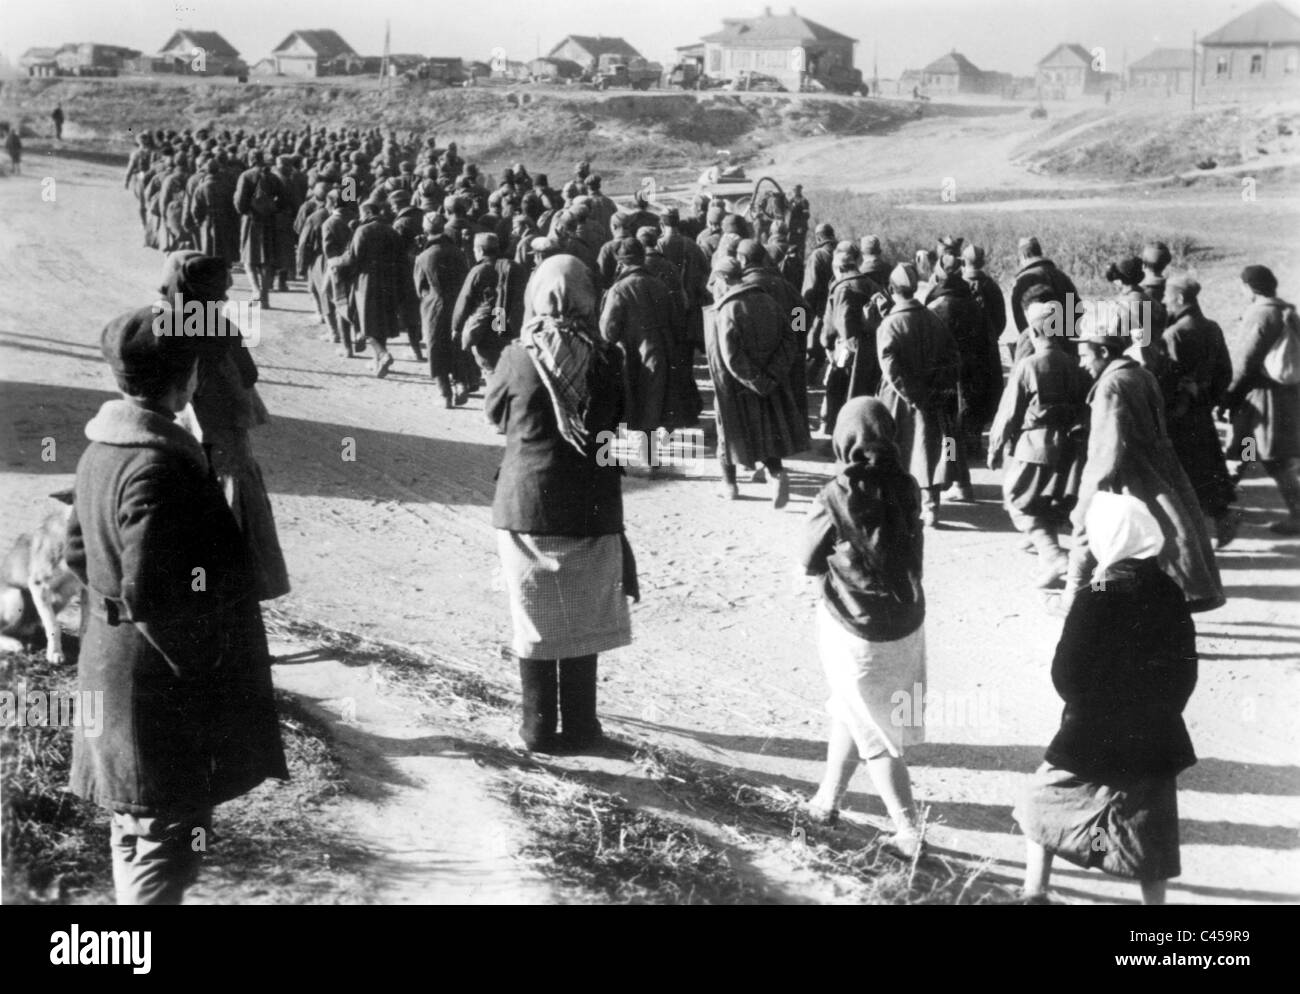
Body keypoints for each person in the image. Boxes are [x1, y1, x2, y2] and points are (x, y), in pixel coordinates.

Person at [66, 307, 287, 904]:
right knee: (166, 845)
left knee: (137, 830)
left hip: (116, 674)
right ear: (187, 378)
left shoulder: (103, 449)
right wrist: (206, 666)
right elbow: (159, 595)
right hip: (160, 692)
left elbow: (77, 554)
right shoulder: (160, 466)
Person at [1015, 493, 1198, 906]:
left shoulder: (1097, 592)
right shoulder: (1169, 590)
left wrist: (1084, 707)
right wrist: (1162, 711)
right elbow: (1185, 668)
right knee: (1149, 834)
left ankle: (1034, 892)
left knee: (1041, 805)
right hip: (1156, 733)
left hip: (1090, 732)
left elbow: (1067, 673)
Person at [486, 256, 634, 754]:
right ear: (589, 297)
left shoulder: (516, 357)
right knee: (584, 621)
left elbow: (495, 415)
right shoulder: (608, 358)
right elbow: (616, 432)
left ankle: (536, 728)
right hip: (591, 508)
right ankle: (582, 727)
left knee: (535, 618)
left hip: (527, 506)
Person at [800, 397, 927, 859]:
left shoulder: (834, 493)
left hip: (853, 626)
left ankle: (909, 831)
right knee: (853, 710)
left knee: (876, 734)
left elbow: (808, 558)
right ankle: (826, 800)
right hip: (908, 622)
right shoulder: (908, 485)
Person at [1064, 310, 1225, 613]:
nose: (1082, 364)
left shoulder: (1111, 386)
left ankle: (1074, 600)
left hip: (1132, 476)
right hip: (1163, 472)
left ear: (1102, 350)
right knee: (1169, 542)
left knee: (1093, 534)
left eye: (1085, 355)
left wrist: (1085, 501)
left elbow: (1104, 454)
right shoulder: (1141, 374)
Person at [162, 252, 291, 602]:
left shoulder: (164, 323)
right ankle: (237, 591)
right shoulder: (221, 325)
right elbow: (249, 374)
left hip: (183, 434)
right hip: (226, 433)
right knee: (234, 508)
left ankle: (196, 590)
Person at [988, 300, 1090, 587]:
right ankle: (1041, 545)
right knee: (1044, 497)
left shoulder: (1028, 366)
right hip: (1067, 446)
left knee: (1016, 497)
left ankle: (1053, 554)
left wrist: (995, 448)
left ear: (1033, 330)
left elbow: (1008, 413)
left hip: (1034, 445)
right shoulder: (1074, 364)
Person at [706, 259, 810, 505]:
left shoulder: (727, 309)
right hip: (771, 381)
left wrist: (755, 379)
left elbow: (730, 357)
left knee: (728, 432)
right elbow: (793, 333)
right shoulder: (771, 298)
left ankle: (729, 485)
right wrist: (774, 372)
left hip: (738, 384)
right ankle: (777, 474)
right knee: (769, 433)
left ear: (724, 279)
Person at [875, 264, 961, 528]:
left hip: (899, 400)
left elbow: (891, 369)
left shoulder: (889, 324)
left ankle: (898, 506)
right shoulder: (933, 318)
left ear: (891, 290)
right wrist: (935, 390)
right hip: (933, 398)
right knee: (932, 449)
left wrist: (913, 396)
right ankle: (931, 505)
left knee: (897, 450)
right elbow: (953, 359)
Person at [1219, 265, 1300, 535]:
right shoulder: (1285, 310)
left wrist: (1229, 396)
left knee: (1266, 454)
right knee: (1250, 448)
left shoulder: (1260, 314)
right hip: (1283, 396)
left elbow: (1245, 362)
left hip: (1260, 397)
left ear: (1250, 288)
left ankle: (1223, 505)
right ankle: (1225, 500)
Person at [1162, 273, 1239, 546]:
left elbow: (1168, 380)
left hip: (1178, 416)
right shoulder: (1213, 327)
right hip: (1201, 413)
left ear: (1180, 299)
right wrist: (1208, 400)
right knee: (1207, 467)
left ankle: (1189, 536)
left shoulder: (1174, 334)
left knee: (1180, 473)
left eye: (1167, 297)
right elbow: (1225, 372)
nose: (1163, 302)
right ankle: (1222, 514)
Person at [927, 250, 1001, 503]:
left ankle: (955, 482)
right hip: (973, 376)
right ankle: (959, 479)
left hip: (944, 382)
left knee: (948, 435)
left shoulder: (936, 306)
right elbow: (993, 334)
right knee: (956, 432)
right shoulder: (975, 302)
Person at [599, 238, 672, 447]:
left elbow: (608, 331)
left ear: (621, 263)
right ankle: (650, 457)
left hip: (629, 357)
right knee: (653, 406)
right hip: (659, 351)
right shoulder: (660, 285)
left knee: (628, 405)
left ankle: (615, 457)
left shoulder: (619, 289)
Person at [336, 201, 408, 377]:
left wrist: (339, 265)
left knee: (365, 322)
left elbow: (353, 257)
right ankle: (378, 361)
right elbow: (401, 258)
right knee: (380, 322)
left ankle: (383, 355)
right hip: (389, 280)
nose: (360, 218)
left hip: (367, 281)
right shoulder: (391, 230)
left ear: (367, 212)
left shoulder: (363, 230)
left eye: (361, 214)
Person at [415, 213, 472, 406]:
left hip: (434, 305)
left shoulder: (423, 256)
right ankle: (461, 383)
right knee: (457, 343)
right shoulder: (458, 252)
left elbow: (420, 287)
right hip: (458, 302)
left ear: (425, 230)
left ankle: (444, 393)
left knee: (435, 346)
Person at [232, 151, 288, 308]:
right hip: (269, 221)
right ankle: (264, 297)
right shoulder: (273, 176)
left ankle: (256, 291)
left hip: (252, 220)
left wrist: (247, 211)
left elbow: (239, 202)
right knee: (267, 260)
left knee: (249, 260)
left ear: (251, 160)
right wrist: (272, 209)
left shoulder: (246, 175)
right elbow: (284, 200)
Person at [1010, 236, 1078, 359]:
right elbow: (1076, 308)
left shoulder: (1023, 280)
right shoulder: (1062, 276)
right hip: (1067, 347)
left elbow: (1020, 317)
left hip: (1037, 347)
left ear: (1023, 256)